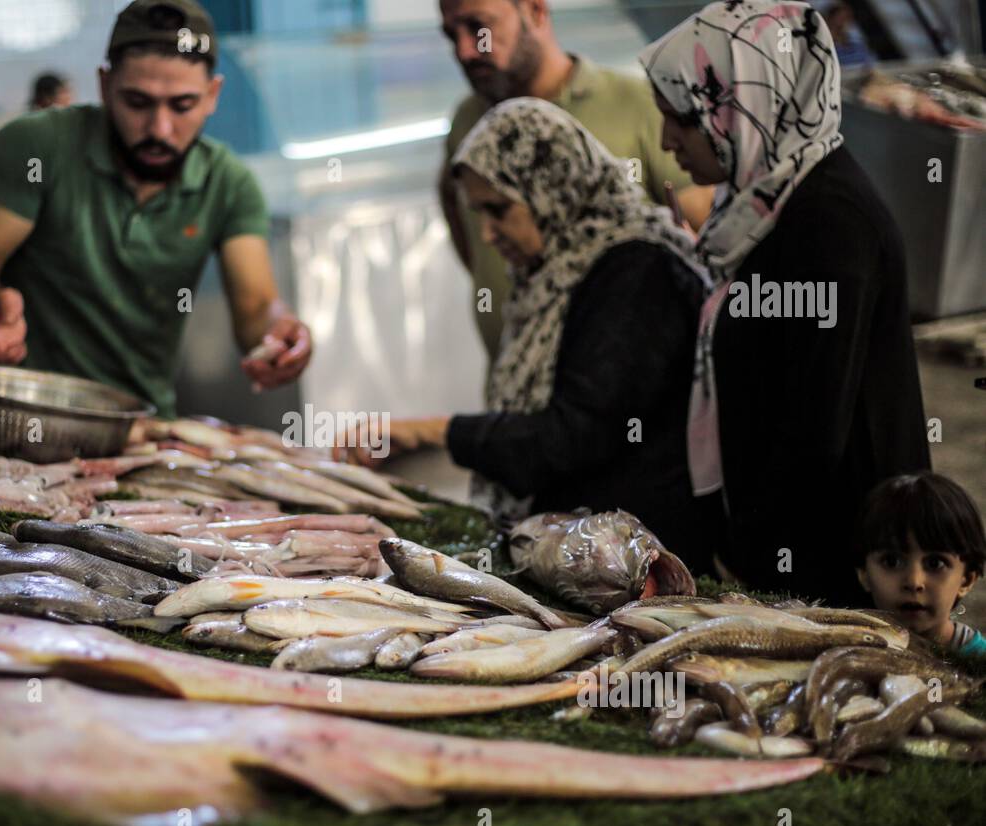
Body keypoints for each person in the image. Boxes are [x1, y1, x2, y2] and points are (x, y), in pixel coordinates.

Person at [640, 0, 930, 604]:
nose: (667, 139)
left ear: (749, 104)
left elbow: (814, 426)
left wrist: (754, 552)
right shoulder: (762, 202)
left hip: (838, 567)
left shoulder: (829, 222)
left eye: (684, 118)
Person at [344, 98, 711, 563]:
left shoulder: (636, 271)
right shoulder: (554, 271)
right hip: (582, 546)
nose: (489, 234)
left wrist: (430, 433)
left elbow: (568, 437)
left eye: (498, 209)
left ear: (553, 188)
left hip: (640, 560)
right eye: (479, 213)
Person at [0, 0, 311, 418]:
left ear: (213, 96)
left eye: (182, 105)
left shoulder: (228, 185)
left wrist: (279, 332)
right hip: (20, 419)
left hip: (140, 427)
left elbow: (256, 308)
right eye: (137, 102)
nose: (159, 128)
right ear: (104, 86)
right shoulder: (34, 150)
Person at [439, 0, 714, 360]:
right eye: (451, 34)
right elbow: (461, 217)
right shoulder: (468, 122)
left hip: (620, 394)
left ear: (536, 11)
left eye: (479, 28)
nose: (464, 51)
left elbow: (705, 236)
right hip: (514, 385)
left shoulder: (634, 105)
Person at [855, 473, 985, 658]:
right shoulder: (847, 659)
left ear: (967, 580)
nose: (914, 582)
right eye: (892, 561)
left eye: (935, 563)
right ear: (864, 574)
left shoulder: (980, 665)